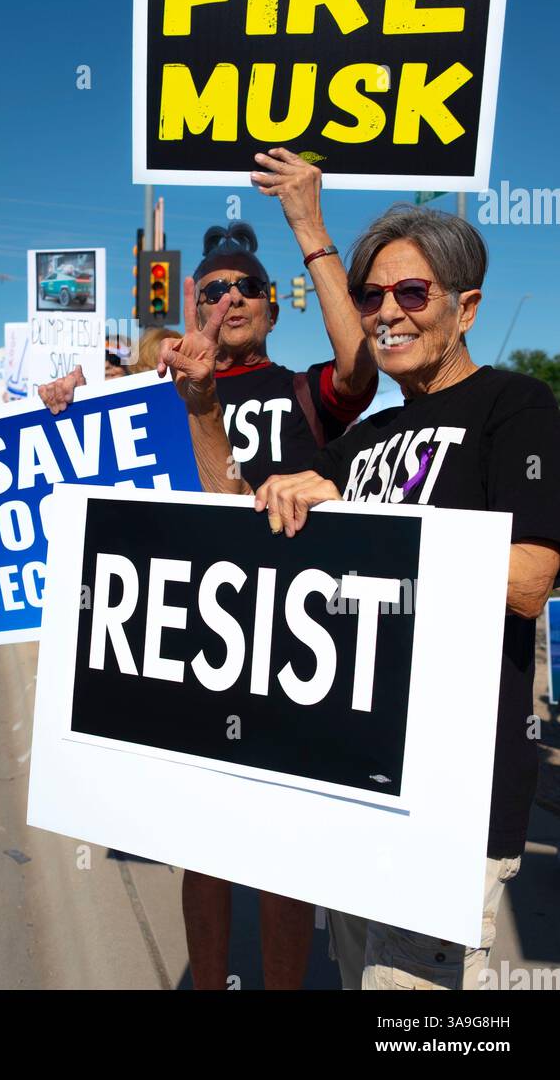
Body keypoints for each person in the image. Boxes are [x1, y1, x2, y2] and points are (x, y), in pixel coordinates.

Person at [186, 203, 560, 989]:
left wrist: (379, 539)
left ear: (467, 308)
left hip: (446, 802)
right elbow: (234, 511)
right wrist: (204, 413)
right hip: (351, 785)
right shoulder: (364, 439)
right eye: (369, 298)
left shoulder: (513, 405)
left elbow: (528, 580)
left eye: (412, 294)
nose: (385, 313)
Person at [40, 146, 378, 989]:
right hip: (191, 647)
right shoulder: (146, 394)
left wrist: (309, 225)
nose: (228, 298)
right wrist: (61, 405)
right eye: (211, 290)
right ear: (188, 309)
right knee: (206, 843)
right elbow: (63, 483)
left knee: (282, 853)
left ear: (272, 308)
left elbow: (361, 365)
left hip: (295, 651)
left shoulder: (307, 389)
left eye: (244, 290)